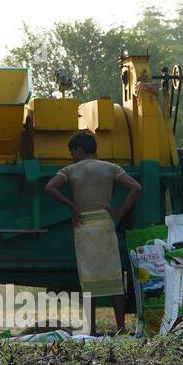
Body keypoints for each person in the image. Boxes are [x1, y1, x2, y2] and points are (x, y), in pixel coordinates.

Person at [44, 132, 142, 335]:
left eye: (73, 152)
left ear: (78, 150)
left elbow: (50, 187)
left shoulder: (69, 170)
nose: (73, 156)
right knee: (114, 278)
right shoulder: (110, 168)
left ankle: (92, 330)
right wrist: (119, 211)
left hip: (84, 226)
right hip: (105, 224)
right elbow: (135, 187)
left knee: (88, 279)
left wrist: (72, 206)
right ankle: (121, 328)